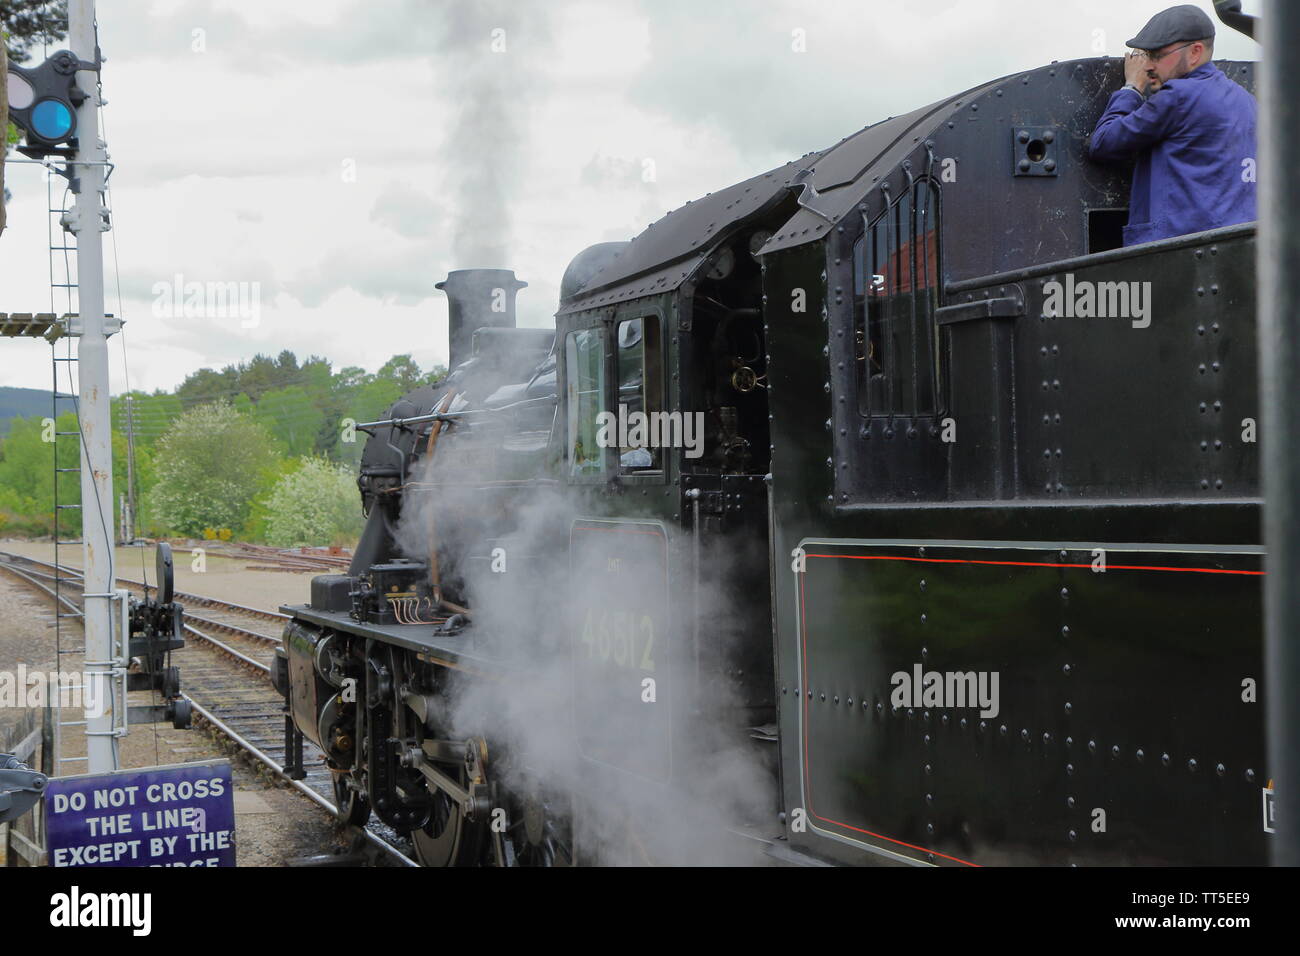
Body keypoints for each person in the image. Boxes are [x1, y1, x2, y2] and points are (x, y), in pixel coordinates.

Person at [1089, 4, 1256, 246]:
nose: (1148, 65)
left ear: (1195, 52)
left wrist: (1132, 88)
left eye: (1157, 55)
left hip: (1178, 253)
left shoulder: (1178, 96)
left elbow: (1104, 142)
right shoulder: (1249, 101)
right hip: (1238, 250)